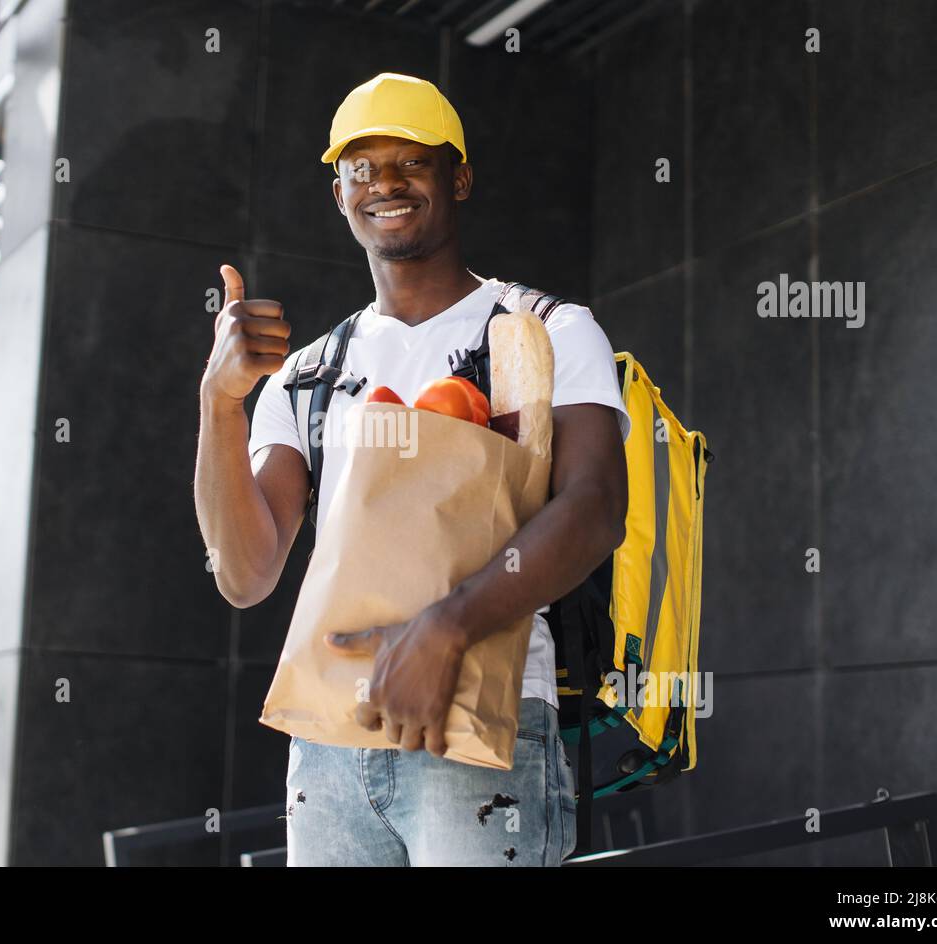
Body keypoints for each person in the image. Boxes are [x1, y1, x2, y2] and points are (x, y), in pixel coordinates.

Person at [195, 72, 630, 866]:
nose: (385, 183)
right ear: (339, 195)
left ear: (458, 178)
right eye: (362, 167)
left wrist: (449, 627)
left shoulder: (545, 330)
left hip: (479, 728)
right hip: (327, 746)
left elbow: (596, 507)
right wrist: (219, 403)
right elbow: (246, 575)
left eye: (412, 162)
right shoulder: (306, 374)